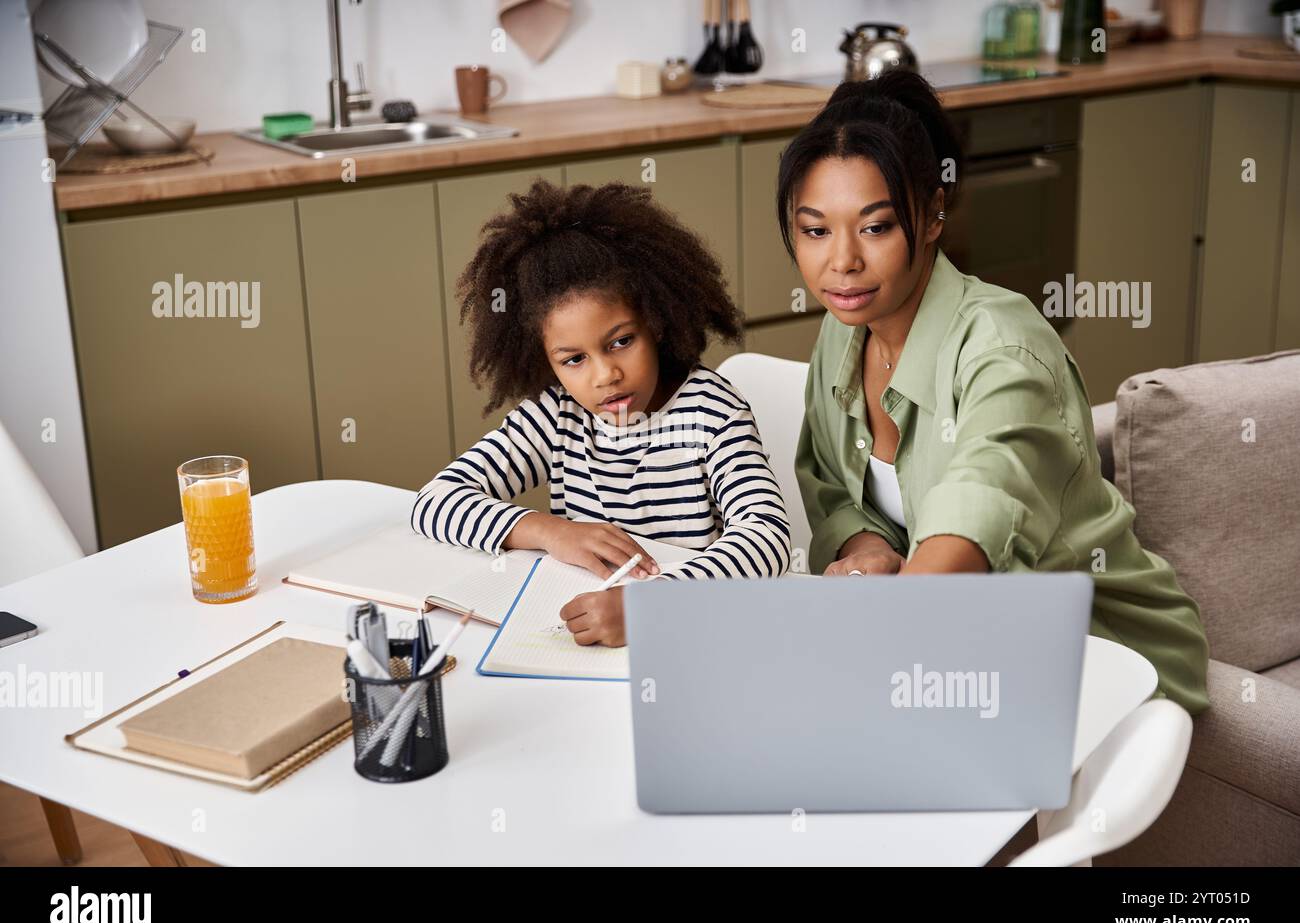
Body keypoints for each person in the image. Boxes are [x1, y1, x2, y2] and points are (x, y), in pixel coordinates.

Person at [787, 72, 1209, 713]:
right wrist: (867, 548)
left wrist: (857, 653)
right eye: (815, 230)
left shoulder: (1002, 349)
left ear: (932, 215)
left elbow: (975, 510)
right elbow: (827, 479)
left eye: (874, 227)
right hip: (962, 643)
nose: (840, 261)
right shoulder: (843, 331)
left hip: (1101, 659)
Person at [412, 179, 791, 647]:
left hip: (685, 634)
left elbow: (767, 535)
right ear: (545, 362)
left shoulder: (713, 413)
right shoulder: (557, 415)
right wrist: (551, 532)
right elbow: (435, 500)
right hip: (581, 639)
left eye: (620, 342)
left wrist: (653, 607)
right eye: (574, 359)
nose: (605, 375)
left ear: (657, 322)